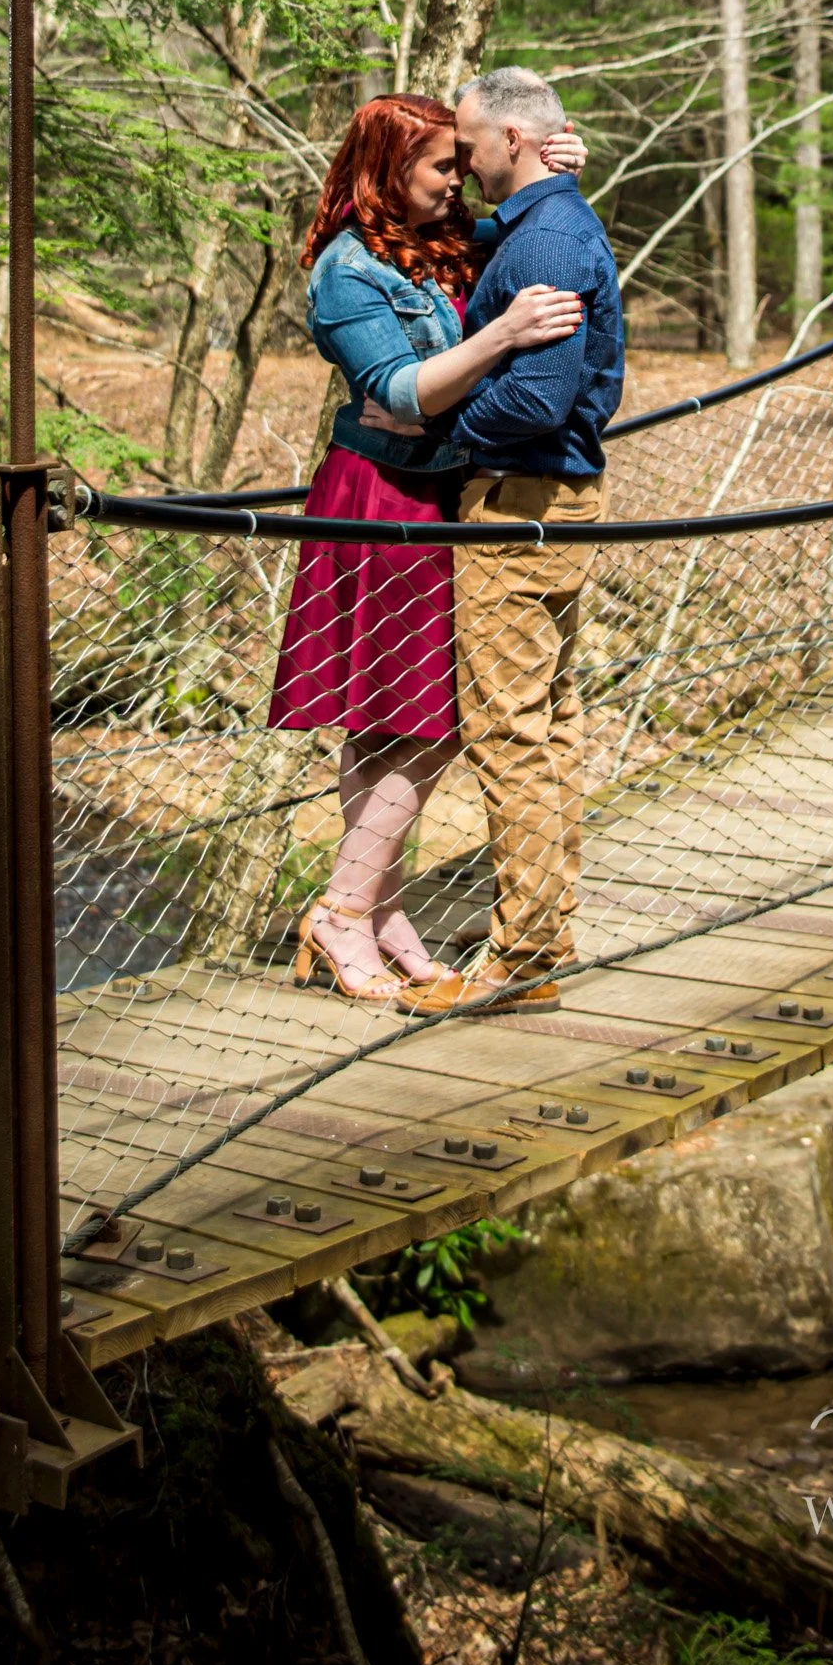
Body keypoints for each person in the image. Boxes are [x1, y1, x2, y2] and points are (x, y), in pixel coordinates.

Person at [268, 93, 586, 1008]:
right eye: (442, 165)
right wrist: (500, 335)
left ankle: (378, 907)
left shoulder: (446, 241)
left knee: (390, 719)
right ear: (387, 168)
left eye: (461, 162)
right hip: (380, 500)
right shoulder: (347, 270)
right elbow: (402, 391)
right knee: (426, 718)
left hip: (435, 495)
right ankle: (340, 912)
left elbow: (529, 211)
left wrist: (560, 165)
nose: (458, 181)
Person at [370, 66, 624, 1015]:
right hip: (555, 504)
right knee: (549, 732)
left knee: (511, 735)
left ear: (512, 141)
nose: (463, 161)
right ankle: (539, 935)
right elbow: (463, 239)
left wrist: (439, 443)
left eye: (470, 144)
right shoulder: (540, 224)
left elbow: (537, 395)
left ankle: (521, 963)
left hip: (520, 510)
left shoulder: (546, 241)